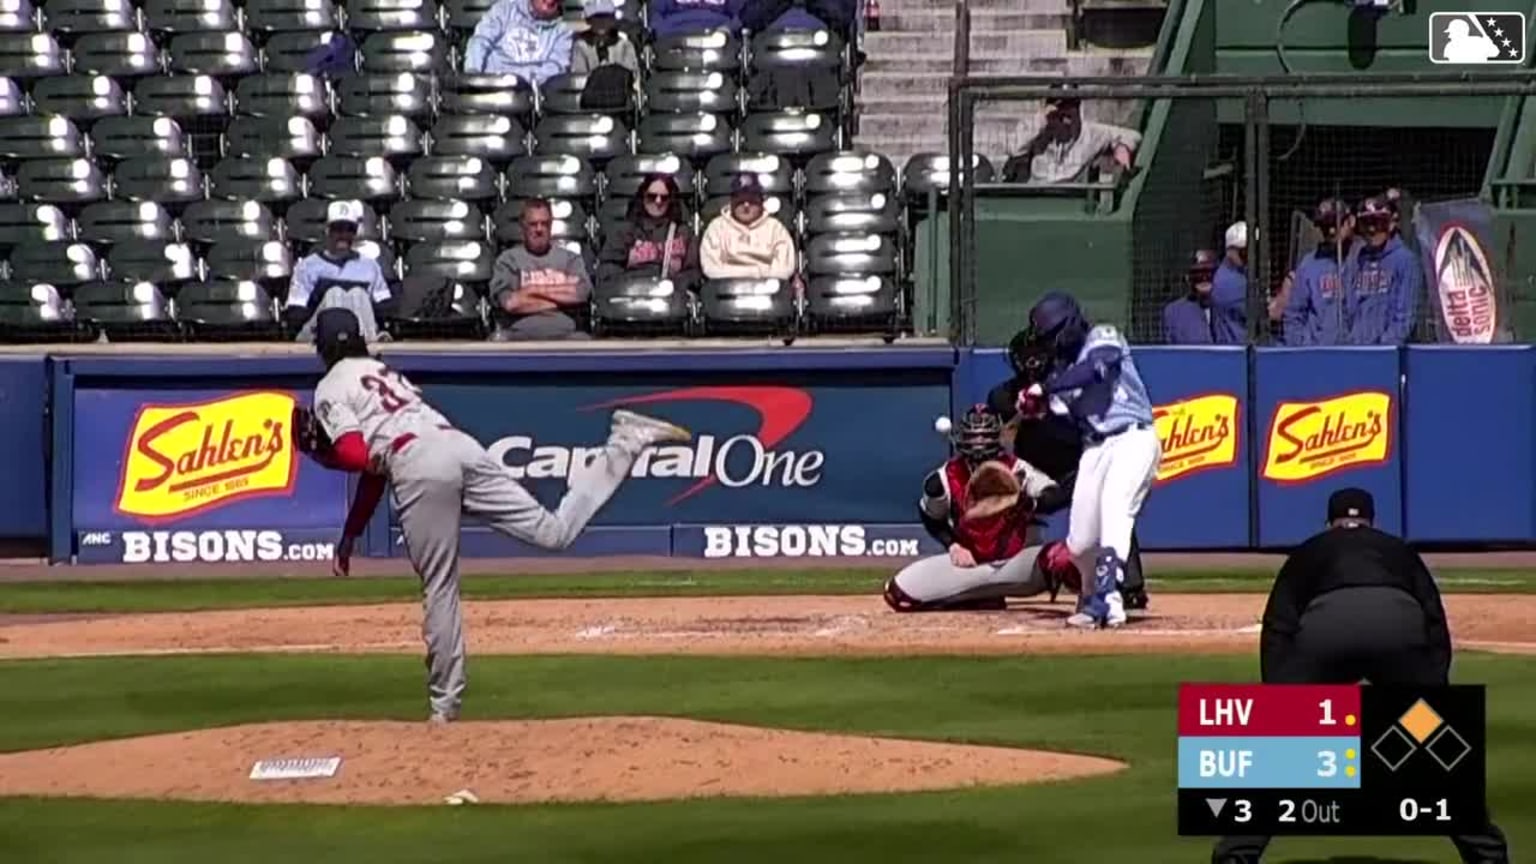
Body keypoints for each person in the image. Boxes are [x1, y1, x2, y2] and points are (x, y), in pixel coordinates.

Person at [299, 307, 691, 722]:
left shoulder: (330, 386)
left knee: (440, 586)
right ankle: (626, 443)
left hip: (417, 461)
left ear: (322, 348)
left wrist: (324, 457)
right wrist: (352, 532)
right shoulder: (383, 371)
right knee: (552, 531)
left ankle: (444, 709)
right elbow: (375, 470)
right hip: (458, 444)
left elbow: (358, 455)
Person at [1211, 488, 1511, 864]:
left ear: (1328, 523)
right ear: (1372, 521)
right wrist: (1433, 699)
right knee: (1437, 755)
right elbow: (1434, 620)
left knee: (1279, 754)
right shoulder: (1398, 549)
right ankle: (1487, 855)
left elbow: (1278, 625)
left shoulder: (1310, 549)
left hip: (1325, 631)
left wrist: (1282, 706)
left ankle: (1236, 856)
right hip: (1398, 626)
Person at [1016, 292, 1162, 629]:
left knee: (1116, 511)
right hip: (1095, 448)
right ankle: (1090, 593)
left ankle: (1108, 601)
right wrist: (1038, 411)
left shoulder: (1103, 336)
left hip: (1132, 438)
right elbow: (1068, 419)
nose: (1050, 343)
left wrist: (1046, 388)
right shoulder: (1060, 373)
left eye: (1052, 335)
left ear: (1067, 327)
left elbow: (1096, 370)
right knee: (1080, 543)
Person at [987, 328, 1150, 610]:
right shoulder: (1003, 397)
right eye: (1026, 357)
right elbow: (994, 439)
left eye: (1037, 356)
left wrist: (1048, 404)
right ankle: (990, 577)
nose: (1032, 363)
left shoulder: (1070, 388)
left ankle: (1127, 587)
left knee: (1112, 507)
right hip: (1033, 474)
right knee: (1002, 496)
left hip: (1076, 469)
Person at [883, 406, 1080, 612]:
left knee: (1063, 557)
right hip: (970, 564)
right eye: (973, 437)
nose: (978, 443)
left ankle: (1091, 599)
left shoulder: (1018, 470)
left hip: (1016, 562)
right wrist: (953, 545)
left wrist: (1028, 502)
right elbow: (931, 516)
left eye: (984, 437)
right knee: (899, 594)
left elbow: (1055, 495)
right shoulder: (942, 479)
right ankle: (978, 597)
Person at [286, 200, 392, 342]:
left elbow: (384, 308)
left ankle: (367, 349)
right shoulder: (307, 266)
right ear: (327, 230)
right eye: (338, 229)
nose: (343, 235)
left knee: (358, 294)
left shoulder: (370, 266)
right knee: (335, 293)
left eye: (349, 229)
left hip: (360, 335)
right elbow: (296, 312)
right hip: (316, 337)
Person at [489, 198, 593, 341]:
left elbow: (580, 294)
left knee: (585, 340)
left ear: (551, 226)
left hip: (566, 336)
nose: (539, 229)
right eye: (533, 224)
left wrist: (530, 291)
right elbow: (510, 303)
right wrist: (560, 302)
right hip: (518, 336)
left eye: (544, 224)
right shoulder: (508, 260)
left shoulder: (570, 259)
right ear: (523, 226)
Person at [1002, 94, 1140, 185]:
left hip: (1070, 194)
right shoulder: (1035, 129)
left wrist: (1122, 146)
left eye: (1070, 108)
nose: (1065, 117)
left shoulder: (1091, 133)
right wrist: (1041, 121)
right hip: (1036, 193)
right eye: (1060, 109)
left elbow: (1133, 135)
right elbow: (1013, 148)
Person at [597, 173, 701, 293]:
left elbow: (693, 272)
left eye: (664, 197)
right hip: (632, 295)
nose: (658, 201)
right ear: (642, 197)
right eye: (651, 196)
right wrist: (630, 285)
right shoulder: (624, 231)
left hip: (670, 295)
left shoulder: (684, 233)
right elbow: (607, 268)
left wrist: (674, 285)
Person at [1345, 195, 1420, 345]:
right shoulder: (1358, 258)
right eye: (1366, 223)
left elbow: (1404, 318)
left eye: (1378, 222)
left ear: (1391, 224)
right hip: (1357, 350)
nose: (1372, 229)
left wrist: (1383, 348)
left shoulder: (1405, 260)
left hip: (1388, 354)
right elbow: (1350, 308)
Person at [1282, 197, 1356, 346]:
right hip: (1318, 354)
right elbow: (1293, 315)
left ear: (1350, 221)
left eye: (1336, 223)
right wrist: (1303, 346)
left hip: (1359, 353)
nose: (1331, 230)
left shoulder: (1364, 259)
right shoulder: (1309, 265)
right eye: (1324, 226)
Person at [700, 174, 797, 281]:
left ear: (761, 201)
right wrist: (757, 272)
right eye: (740, 201)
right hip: (728, 291)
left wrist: (753, 275)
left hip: (766, 291)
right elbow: (711, 269)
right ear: (731, 201)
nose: (746, 205)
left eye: (752, 200)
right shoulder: (716, 228)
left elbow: (784, 270)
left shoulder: (776, 229)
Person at [463, 0, 573, 85]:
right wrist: (473, 73)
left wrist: (521, 79)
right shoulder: (504, 10)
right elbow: (481, 41)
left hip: (529, 93)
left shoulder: (563, 31)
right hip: (492, 85)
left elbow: (555, 67)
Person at [570, 0, 639, 76]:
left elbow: (632, 76)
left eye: (606, 17)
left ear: (613, 20)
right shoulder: (581, 46)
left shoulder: (624, 46)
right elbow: (578, 76)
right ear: (589, 20)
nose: (601, 22)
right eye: (597, 17)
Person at [648, 0, 743, 37]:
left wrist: (730, 27)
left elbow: (741, 14)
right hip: (674, 34)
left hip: (719, 33)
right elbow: (655, 13)